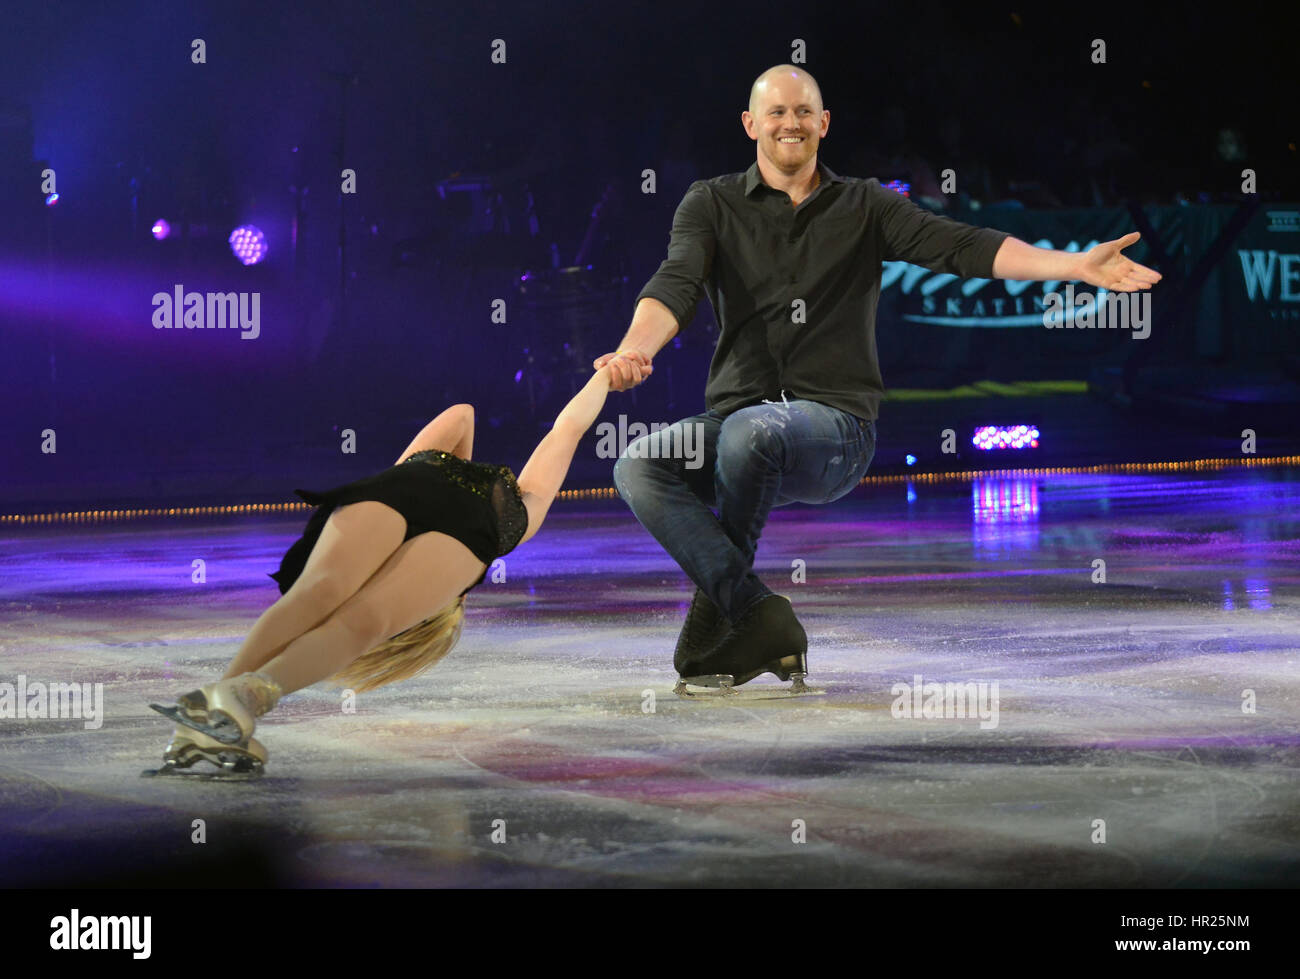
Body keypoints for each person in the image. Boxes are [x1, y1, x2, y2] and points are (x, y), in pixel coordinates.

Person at [593, 64, 1161, 693]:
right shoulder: (711, 202)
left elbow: (964, 247)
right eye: (776, 112)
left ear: (824, 123)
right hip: (736, 424)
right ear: (751, 124)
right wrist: (635, 349)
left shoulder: (865, 205)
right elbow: (675, 283)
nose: (790, 123)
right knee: (640, 464)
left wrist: (1073, 266)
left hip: (833, 433)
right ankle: (754, 613)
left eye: (803, 111)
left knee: (747, 433)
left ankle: (736, 623)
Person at [147, 355, 652, 776]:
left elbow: (468, 416)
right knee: (348, 614)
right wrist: (604, 379)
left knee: (324, 597)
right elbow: (563, 429)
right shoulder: (522, 514)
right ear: (441, 603)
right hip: (455, 525)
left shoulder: (454, 479)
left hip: (406, 493)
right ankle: (230, 703)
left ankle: (215, 710)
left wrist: (603, 378)